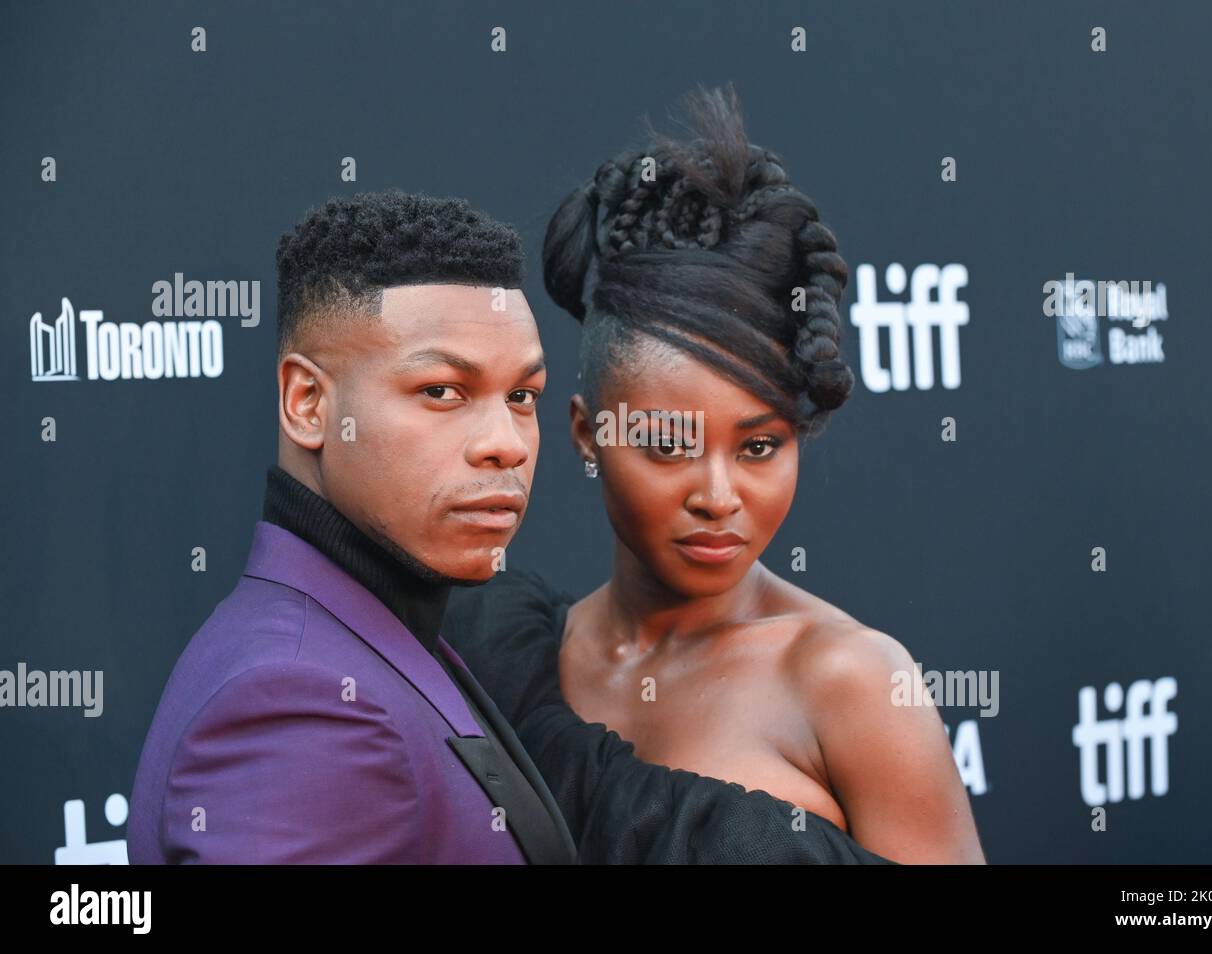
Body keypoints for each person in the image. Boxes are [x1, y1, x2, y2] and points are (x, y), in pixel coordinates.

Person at [127, 188, 894, 864]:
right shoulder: (300, 699)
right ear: (307, 404)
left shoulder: (403, 634)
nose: (504, 441)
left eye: (521, 396)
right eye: (442, 390)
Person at [442, 85, 986, 864]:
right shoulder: (508, 651)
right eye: (668, 446)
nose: (719, 497)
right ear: (586, 433)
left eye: (759, 447)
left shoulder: (851, 682)